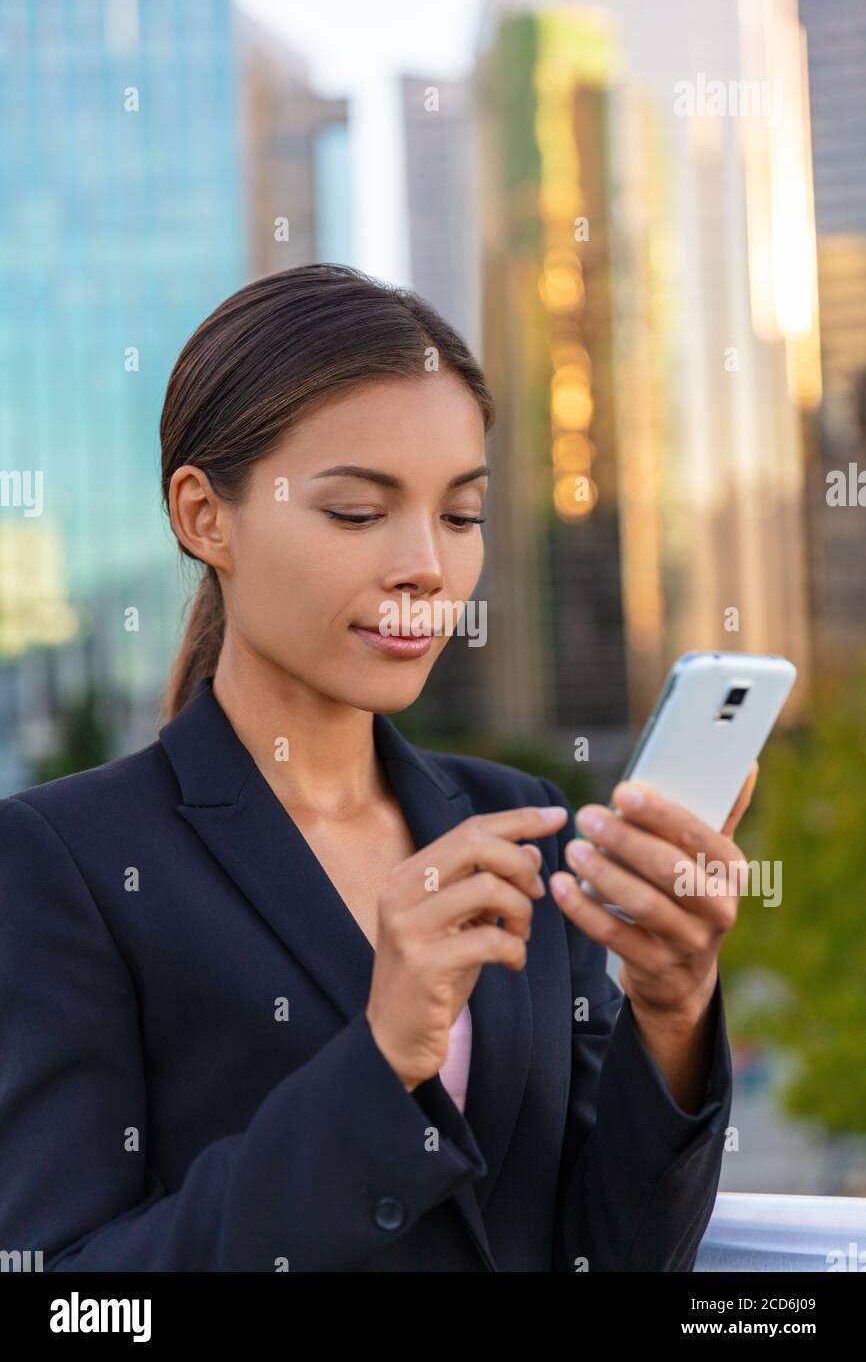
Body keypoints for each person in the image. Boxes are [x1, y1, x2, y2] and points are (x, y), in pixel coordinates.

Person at [0, 263, 755, 1272]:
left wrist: (671, 1011)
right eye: (358, 512)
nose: (426, 568)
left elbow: (610, 1256)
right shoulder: (67, 861)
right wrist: (378, 1061)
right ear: (203, 516)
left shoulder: (518, 822)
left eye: (458, 515)